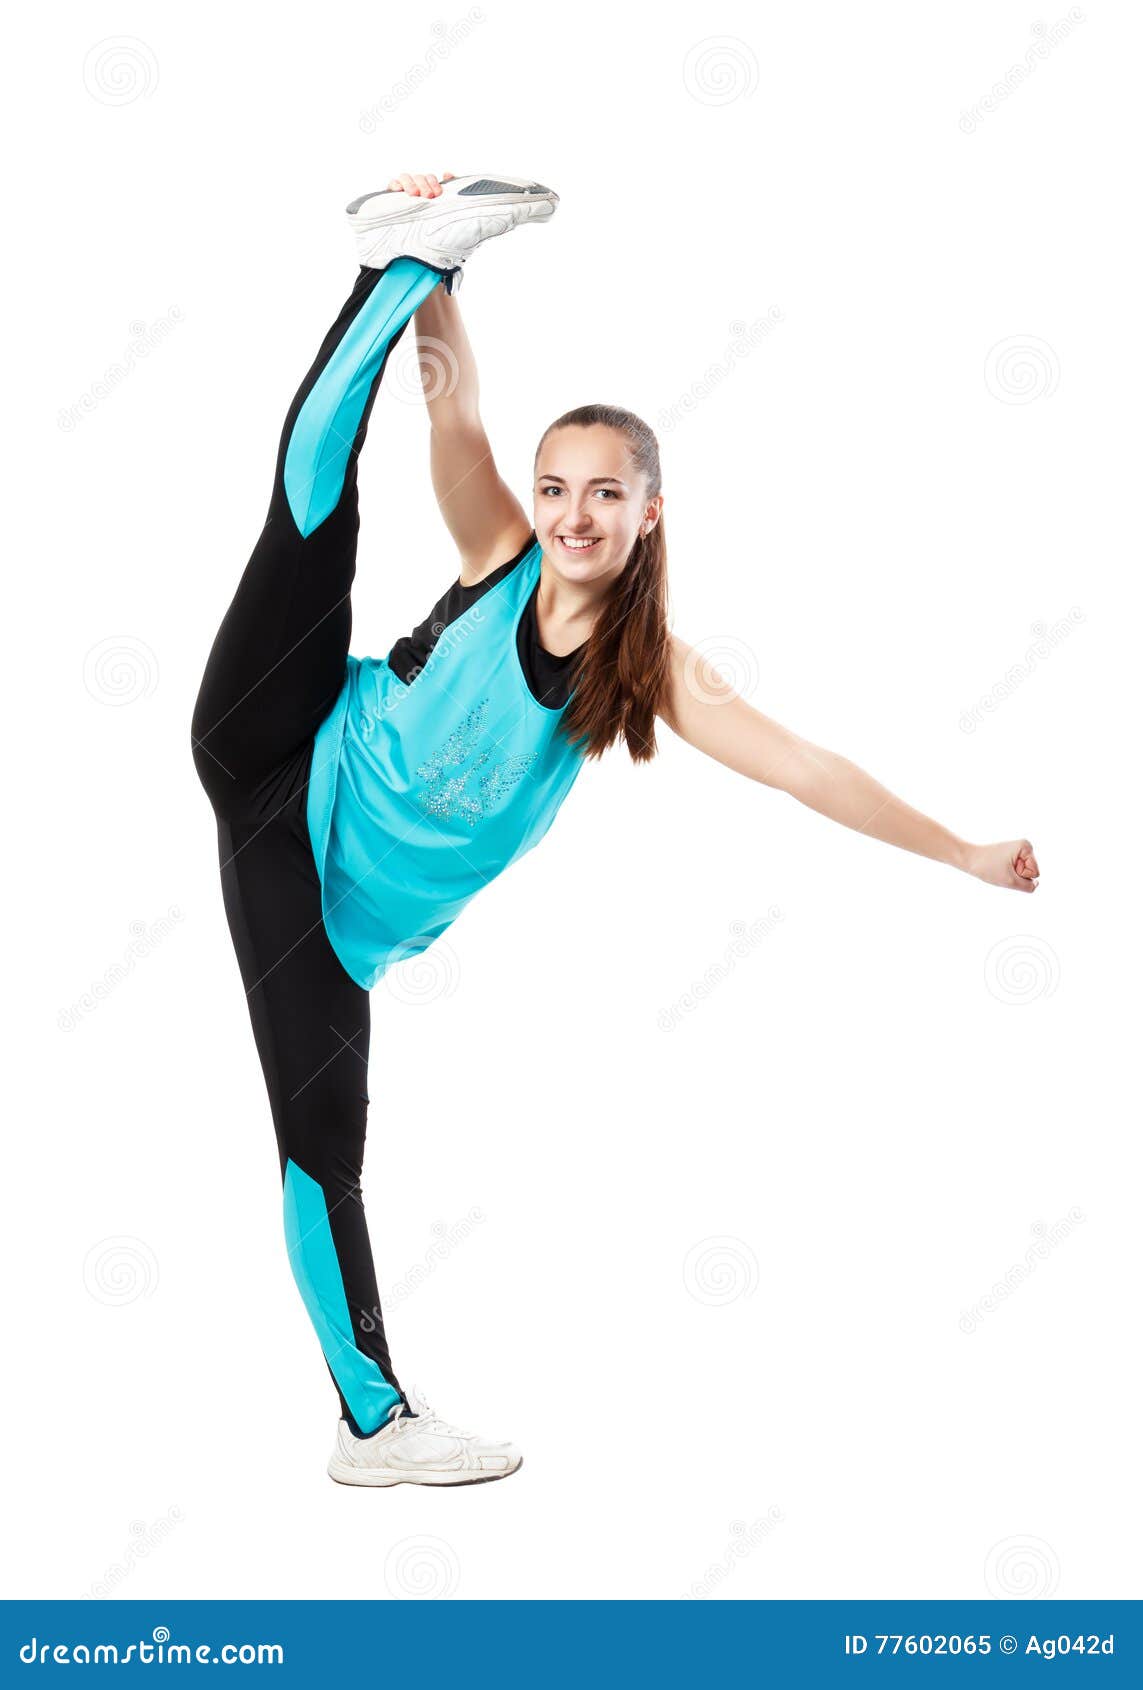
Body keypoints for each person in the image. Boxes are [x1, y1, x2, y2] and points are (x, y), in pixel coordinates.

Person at [191, 170, 1041, 1488]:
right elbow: (457, 410)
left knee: (324, 1146)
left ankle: (370, 1438)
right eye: (557, 486)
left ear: (650, 511)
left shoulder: (647, 676)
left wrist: (966, 851)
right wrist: (443, 289)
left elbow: (808, 770)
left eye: (602, 493)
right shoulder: (498, 550)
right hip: (278, 751)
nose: (572, 514)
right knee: (315, 515)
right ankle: (392, 260)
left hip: (330, 913)